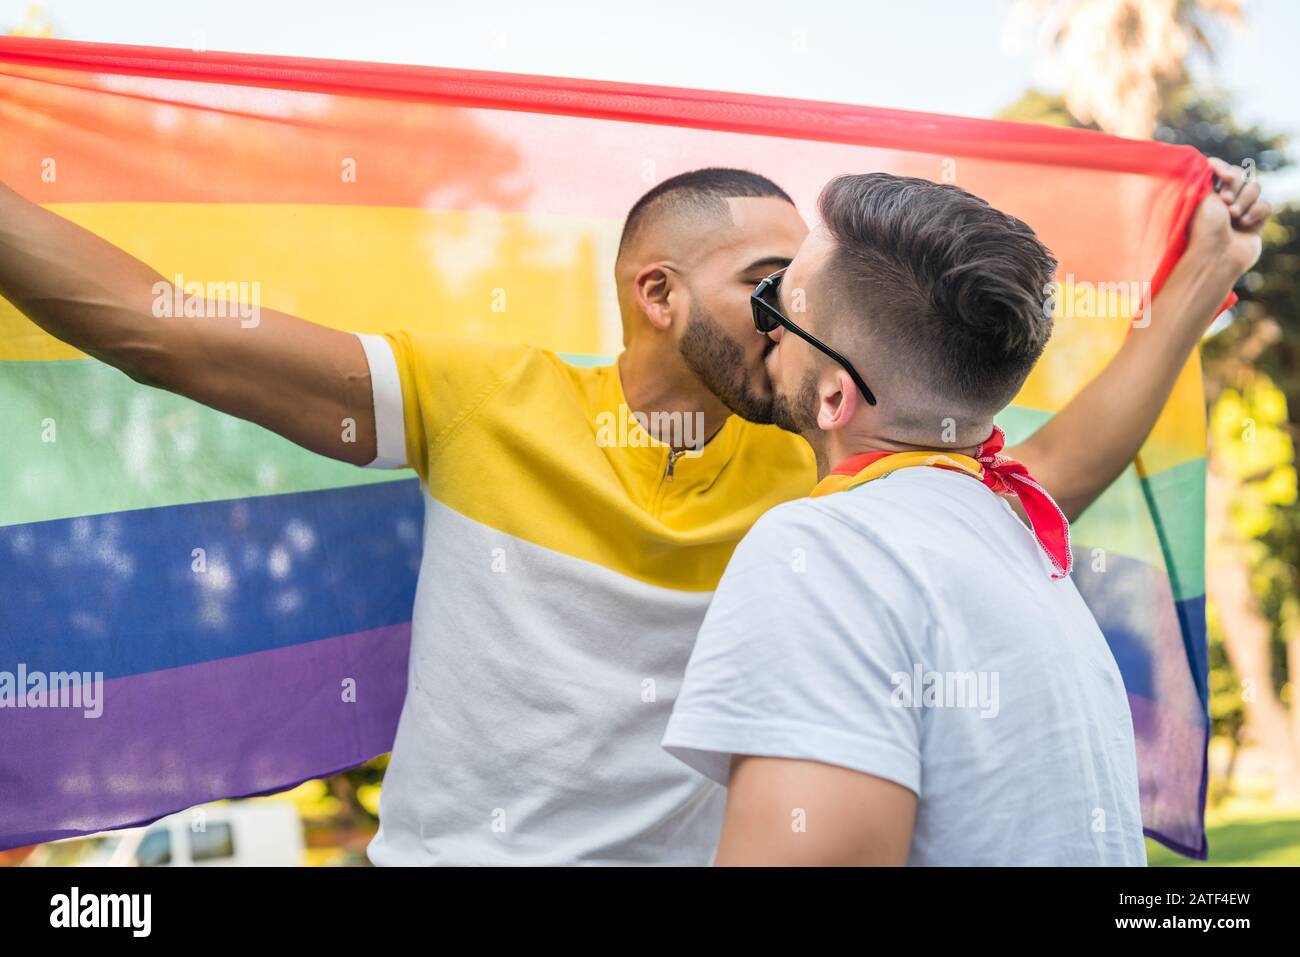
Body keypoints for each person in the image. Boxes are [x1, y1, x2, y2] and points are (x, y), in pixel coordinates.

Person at [0, 160, 1266, 865]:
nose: (794, 313)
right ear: (656, 292)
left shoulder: (839, 476)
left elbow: (1050, 474)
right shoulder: (478, 396)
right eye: (768, 283)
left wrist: (1201, 277)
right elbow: (162, 328)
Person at [661, 171, 1265, 865]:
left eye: (780, 303)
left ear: (834, 397)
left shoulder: (826, 554)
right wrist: (1209, 268)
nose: (763, 326)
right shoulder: (1014, 538)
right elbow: (1072, 456)